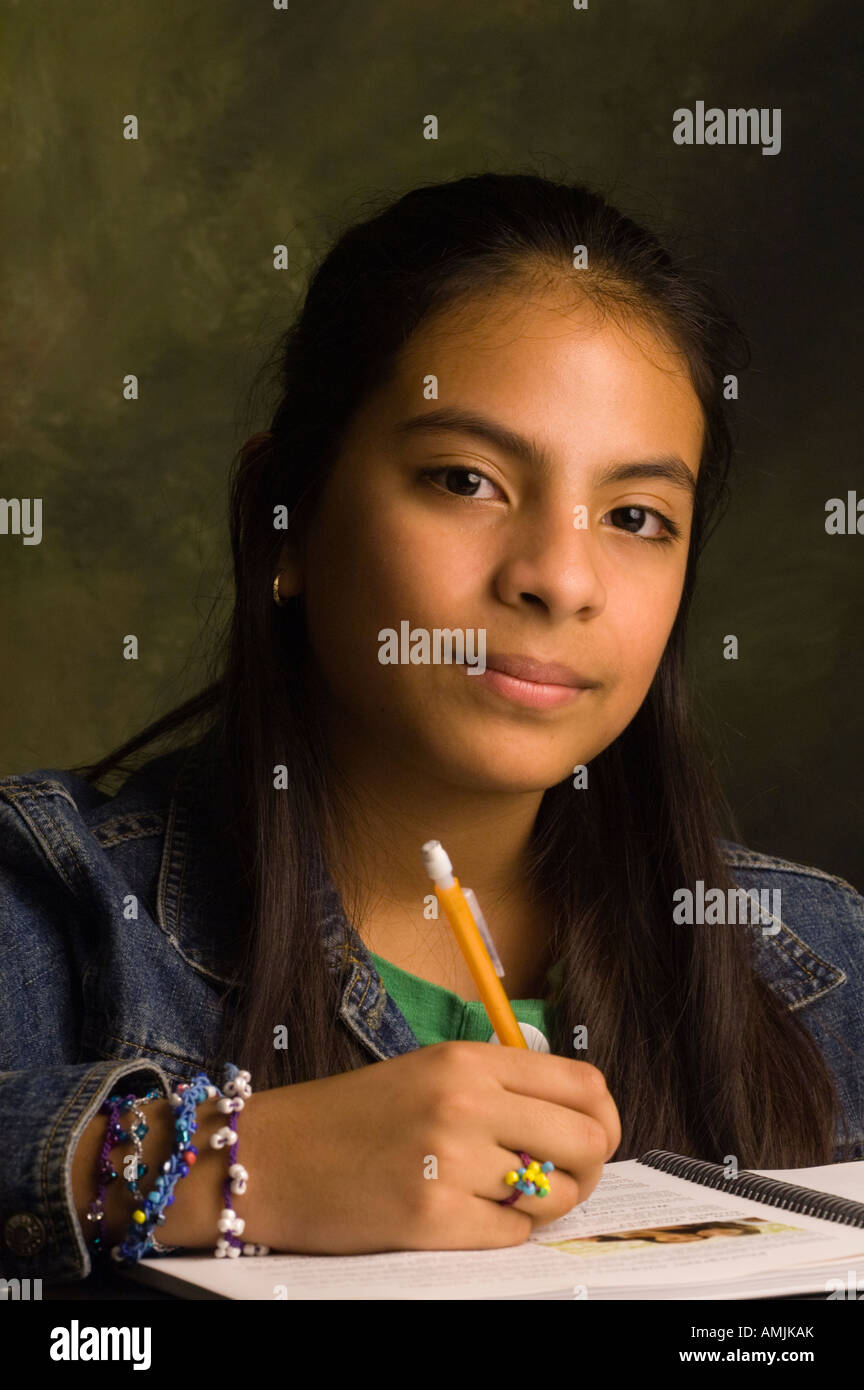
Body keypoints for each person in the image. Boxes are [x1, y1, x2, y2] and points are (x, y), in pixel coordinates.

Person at [1, 173, 861, 1288]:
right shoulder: (53, 909)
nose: (559, 576)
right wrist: (222, 1163)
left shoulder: (821, 962)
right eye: (467, 480)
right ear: (289, 519)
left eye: (637, 517)